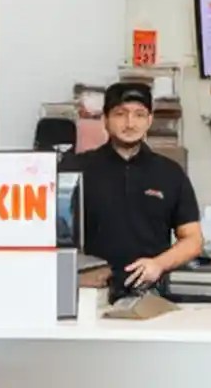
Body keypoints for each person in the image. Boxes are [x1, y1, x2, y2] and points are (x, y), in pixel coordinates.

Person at [59, 82, 203, 297]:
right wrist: (81, 269)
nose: (130, 123)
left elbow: (193, 239)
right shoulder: (75, 170)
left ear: (150, 120)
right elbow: (53, 234)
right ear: (105, 120)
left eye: (139, 115)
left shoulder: (170, 173)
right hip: (88, 294)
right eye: (120, 114)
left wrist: (158, 264)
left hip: (149, 294)